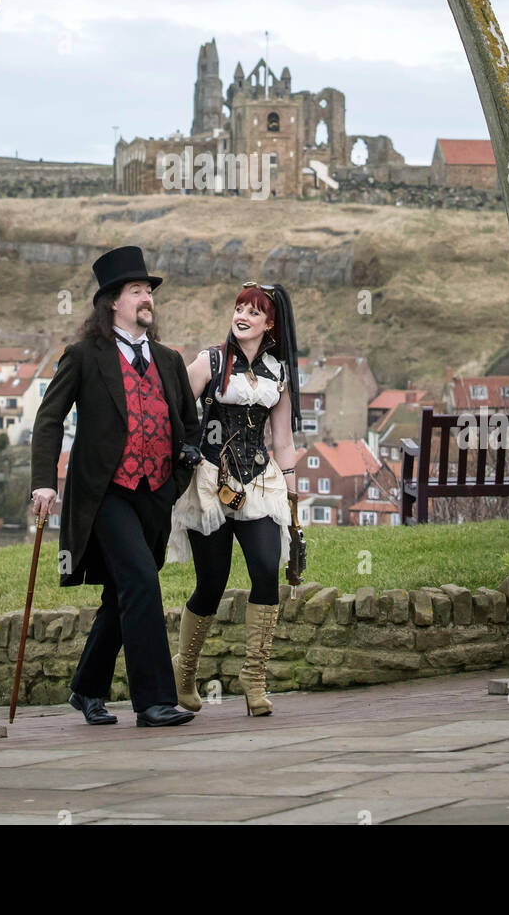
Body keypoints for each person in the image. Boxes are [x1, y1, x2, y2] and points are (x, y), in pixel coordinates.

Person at [30, 246, 201, 728]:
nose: (147, 298)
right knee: (143, 583)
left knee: (122, 593)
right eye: (136, 291)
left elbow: (190, 424)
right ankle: (154, 701)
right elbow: (48, 420)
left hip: (155, 493)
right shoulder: (84, 357)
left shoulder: (169, 360)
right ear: (112, 302)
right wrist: (43, 483)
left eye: (148, 290)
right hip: (104, 494)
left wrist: (175, 478)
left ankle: (86, 689)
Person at [167, 282, 301, 717]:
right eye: (239, 307)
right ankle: (184, 673)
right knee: (212, 582)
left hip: (259, 481)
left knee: (266, 570)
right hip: (210, 481)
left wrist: (292, 483)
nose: (242, 314)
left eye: (254, 310)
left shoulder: (277, 373)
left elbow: (282, 437)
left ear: (269, 323)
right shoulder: (209, 361)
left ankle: (254, 678)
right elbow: (177, 411)